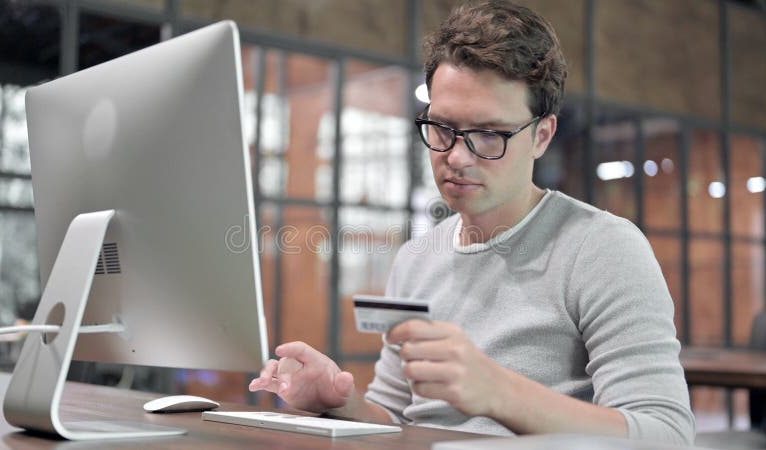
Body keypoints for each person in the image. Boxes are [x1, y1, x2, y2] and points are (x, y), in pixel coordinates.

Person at [249, 0, 695, 444]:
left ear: (542, 136)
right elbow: (399, 419)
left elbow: (666, 435)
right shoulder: (417, 258)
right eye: (442, 128)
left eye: (489, 134)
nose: (456, 157)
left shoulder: (601, 248)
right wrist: (338, 401)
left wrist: (499, 392)